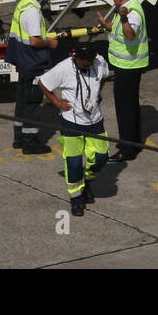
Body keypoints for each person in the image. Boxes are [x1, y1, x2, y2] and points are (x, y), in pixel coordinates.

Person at [38, 41, 110, 216]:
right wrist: (56, 101)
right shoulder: (63, 68)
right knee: (73, 162)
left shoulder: (99, 62)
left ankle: (86, 180)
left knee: (101, 157)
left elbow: (104, 76)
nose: (87, 65)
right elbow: (42, 82)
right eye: (83, 62)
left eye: (89, 62)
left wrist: (97, 94)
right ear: (74, 57)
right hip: (71, 122)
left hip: (95, 120)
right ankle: (76, 198)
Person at [96, 0, 148, 163]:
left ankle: (127, 150)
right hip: (127, 66)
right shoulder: (126, 7)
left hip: (128, 67)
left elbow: (130, 33)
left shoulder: (131, 12)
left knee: (124, 108)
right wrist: (105, 24)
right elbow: (118, 28)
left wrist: (124, 17)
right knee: (131, 105)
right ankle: (133, 142)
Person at [6, 0, 57, 154]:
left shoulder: (22, 4)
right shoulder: (32, 11)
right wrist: (50, 43)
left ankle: (19, 139)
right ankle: (31, 143)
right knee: (33, 104)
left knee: (22, 102)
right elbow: (34, 41)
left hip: (23, 61)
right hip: (32, 63)